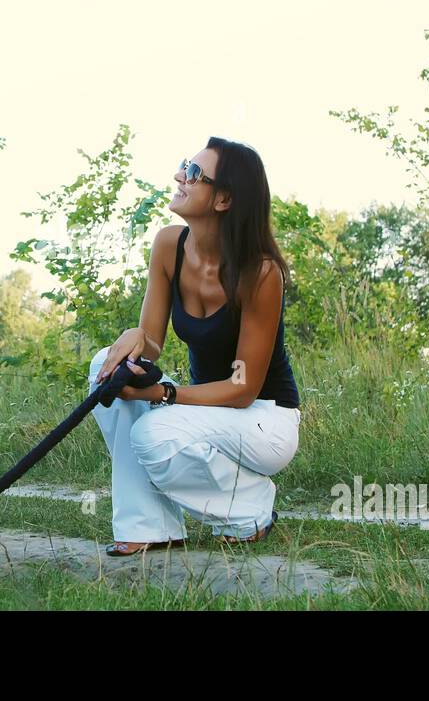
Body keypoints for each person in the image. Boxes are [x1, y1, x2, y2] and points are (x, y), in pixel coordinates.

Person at [88, 138, 301, 555]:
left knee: (153, 432)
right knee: (106, 363)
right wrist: (136, 339)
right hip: (204, 412)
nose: (179, 177)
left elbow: (243, 388)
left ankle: (250, 507)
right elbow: (149, 345)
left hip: (263, 420)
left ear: (223, 199)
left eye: (193, 173)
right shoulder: (170, 245)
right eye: (185, 166)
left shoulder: (260, 273)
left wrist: (164, 394)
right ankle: (147, 526)